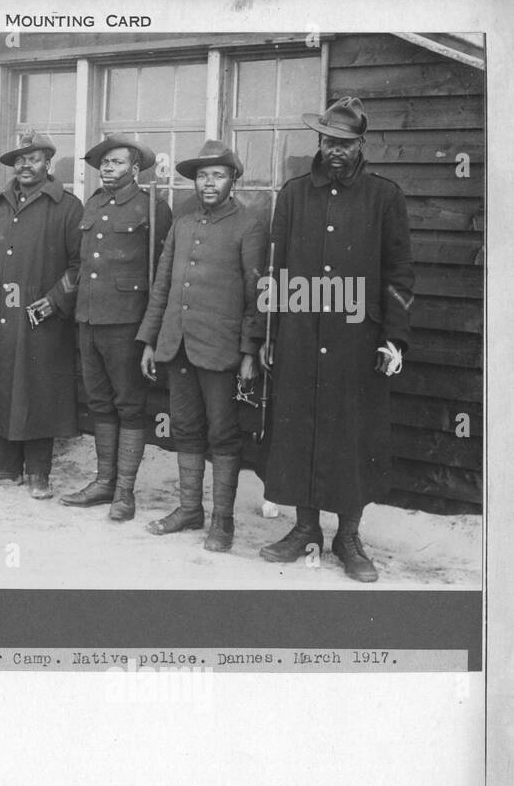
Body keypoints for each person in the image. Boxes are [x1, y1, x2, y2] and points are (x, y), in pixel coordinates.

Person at [252, 97, 415, 582]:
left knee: (352, 435)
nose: (335, 151)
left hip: (356, 343)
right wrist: (271, 332)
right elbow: (275, 266)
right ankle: (305, 529)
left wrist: (393, 339)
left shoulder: (384, 197)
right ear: (318, 142)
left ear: (360, 144)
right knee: (299, 429)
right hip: (301, 334)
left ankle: (347, 536)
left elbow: (400, 274)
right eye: (327, 141)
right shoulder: (296, 193)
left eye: (344, 143)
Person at [136, 140, 267, 552]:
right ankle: (190, 509)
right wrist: (150, 340)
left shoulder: (249, 224)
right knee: (186, 428)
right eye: (202, 176)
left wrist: (249, 351)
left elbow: (256, 292)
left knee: (224, 434)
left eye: (218, 175)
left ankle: (222, 521)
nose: (209, 183)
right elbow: (163, 286)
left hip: (221, 349)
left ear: (232, 179)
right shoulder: (183, 223)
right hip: (177, 345)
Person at [0, 131, 83, 499]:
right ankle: (4, 466)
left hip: (39, 316)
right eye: (19, 159)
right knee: (1, 381)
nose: (25, 165)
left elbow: (80, 265)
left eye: (33, 158)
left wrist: (54, 300)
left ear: (48, 162)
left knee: (37, 388)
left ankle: (39, 472)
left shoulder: (67, 206)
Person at [60, 135, 171, 521]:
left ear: (135, 169)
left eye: (117, 163)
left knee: (129, 405)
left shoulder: (153, 208)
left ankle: (125, 491)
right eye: (104, 163)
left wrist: (150, 334)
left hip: (127, 323)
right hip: (88, 318)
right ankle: (104, 482)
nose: (108, 168)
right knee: (99, 403)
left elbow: (161, 276)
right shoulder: (93, 204)